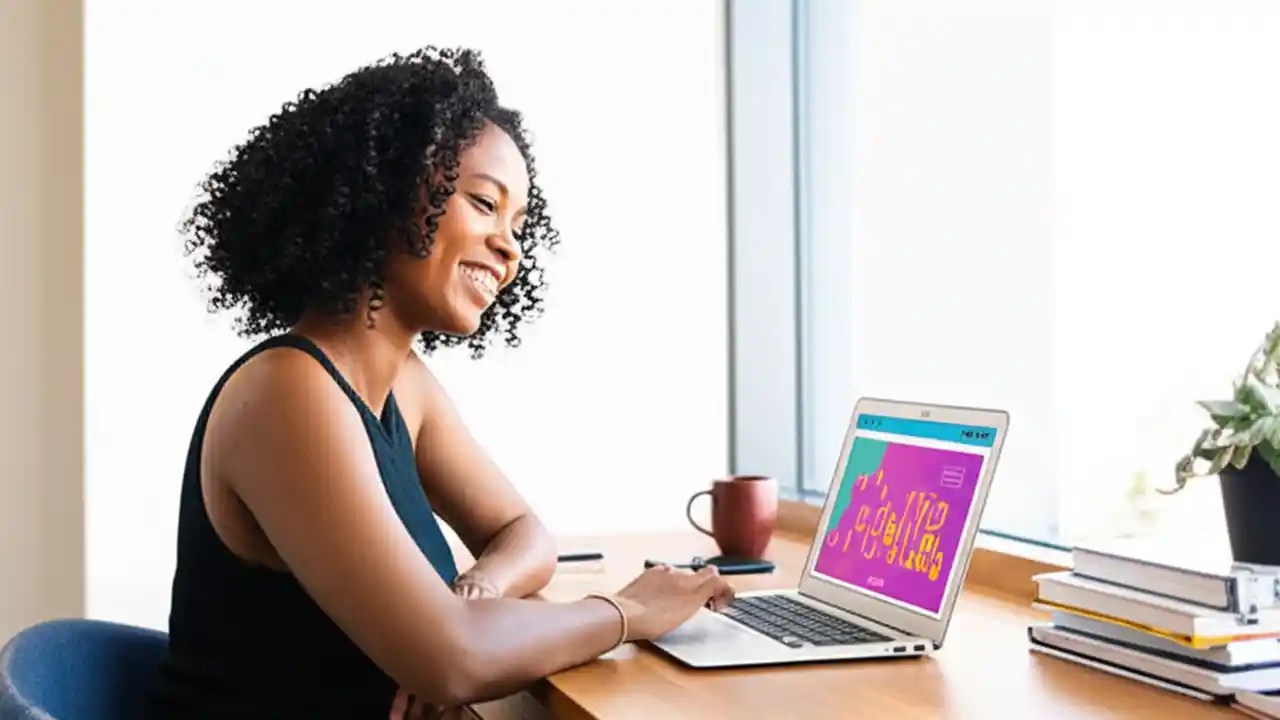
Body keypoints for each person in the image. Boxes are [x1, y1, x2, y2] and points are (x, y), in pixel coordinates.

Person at [147, 46, 736, 720]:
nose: (511, 248)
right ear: (383, 192)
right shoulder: (287, 393)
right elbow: (453, 662)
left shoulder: (404, 388)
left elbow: (523, 534)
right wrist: (627, 612)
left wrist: (475, 595)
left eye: (519, 225)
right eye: (484, 203)